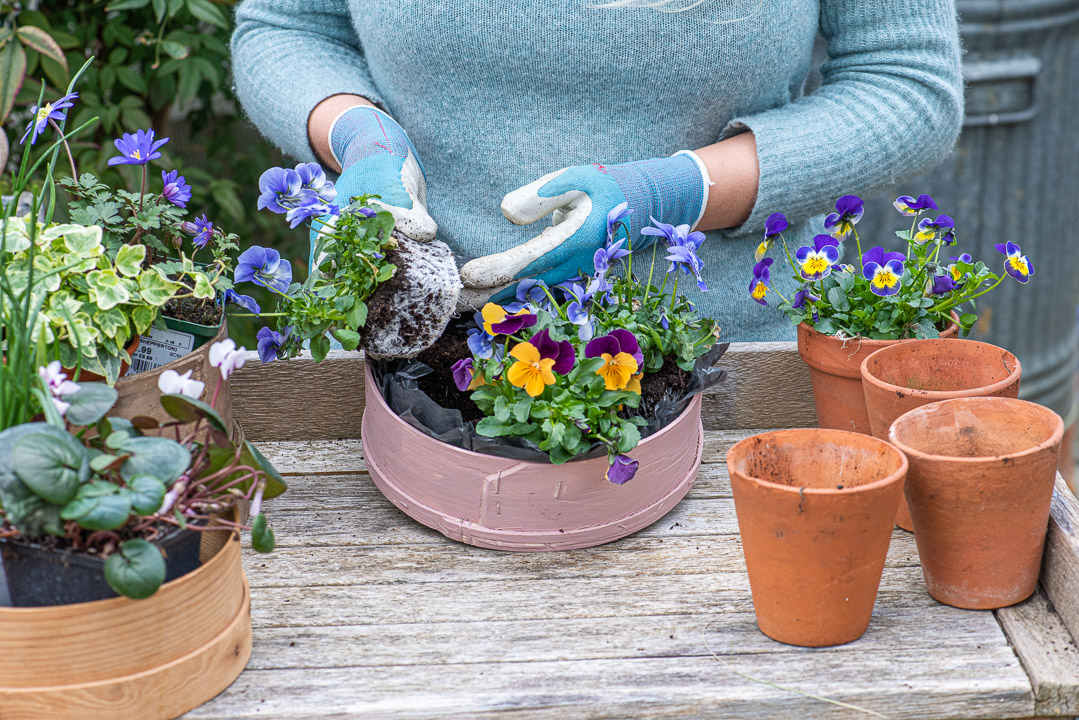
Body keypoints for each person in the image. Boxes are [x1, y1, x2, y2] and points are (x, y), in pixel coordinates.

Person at [231, 0, 963, 340]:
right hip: (394, 339)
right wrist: (356, 134)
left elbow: (906, 82)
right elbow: (288, 27)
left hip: (728, 370)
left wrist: (672, 194)